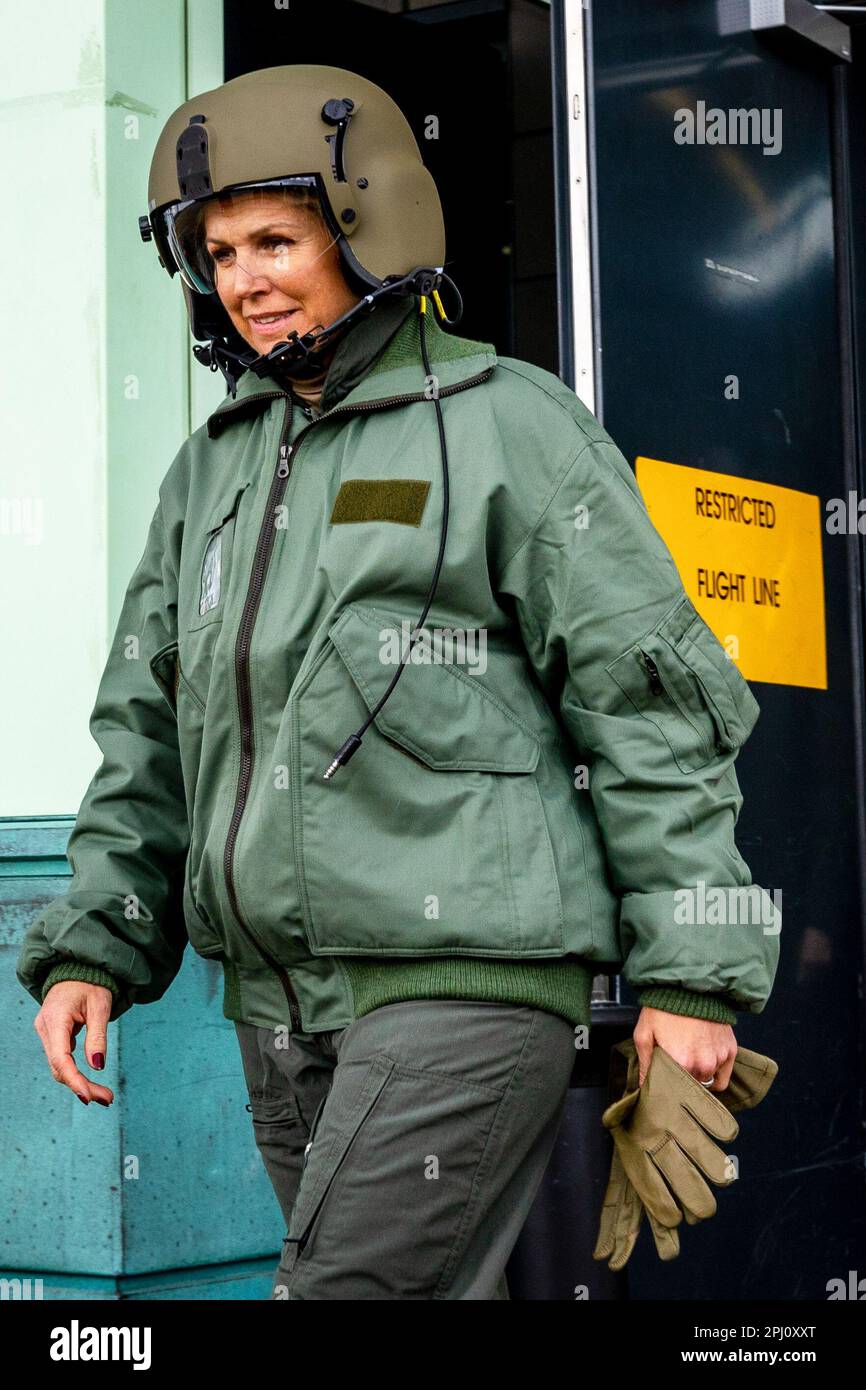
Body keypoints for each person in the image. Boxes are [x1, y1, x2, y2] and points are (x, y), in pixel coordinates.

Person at [16, 64, 780, 1299]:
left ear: (367, 225)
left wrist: (692, 973)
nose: (245, 279)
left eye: (275, 237)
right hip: (275, 1009)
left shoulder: (508, 424)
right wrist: (92, 943)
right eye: (216, 253)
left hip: (463, 985)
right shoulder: (209, 474)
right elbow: (149, 732)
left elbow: (648, 706)